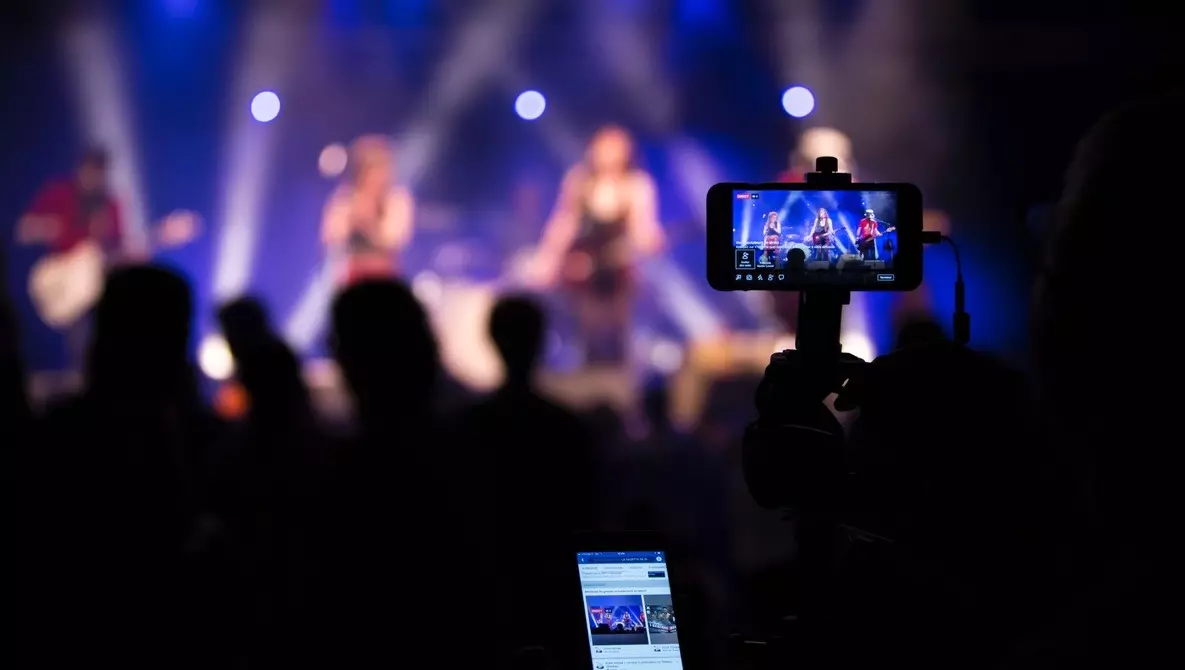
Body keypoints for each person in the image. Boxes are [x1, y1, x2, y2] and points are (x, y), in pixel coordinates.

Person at [530, 125, 665, 366]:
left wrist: (649, 239)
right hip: (583, 271)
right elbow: (564, 221)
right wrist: (548, 258)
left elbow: (643, 227)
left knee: (618, 334)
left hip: (619, 273)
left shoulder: (637, 185)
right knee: (585, 333)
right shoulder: (579, 180)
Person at [17, 147, 128, 367]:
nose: (94, 179)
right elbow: (22, 231)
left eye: (99, 173)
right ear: (80, 170)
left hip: (95, 281)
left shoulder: (111, 205)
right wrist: (45, 227)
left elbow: (117, 250)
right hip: (58, 276)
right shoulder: (59, 193)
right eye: (90, 171)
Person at [320, 135, 415, 286]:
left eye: (382, 170)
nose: (377, 177)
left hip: (385, 277)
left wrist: (368, 221)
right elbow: (331, 237)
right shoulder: (345, 199)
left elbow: (394, 239)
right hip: (351, 276)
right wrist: (352, 216)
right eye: (371, 171)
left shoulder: (396, 199)